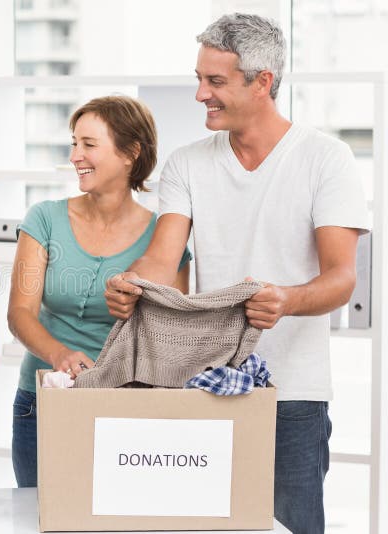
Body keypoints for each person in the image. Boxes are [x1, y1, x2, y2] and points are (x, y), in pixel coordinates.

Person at [104, 14, 369, 534]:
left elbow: (342, 278)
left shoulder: (327, 160)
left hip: (293, 394)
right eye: (199, 78)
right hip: (206, 385)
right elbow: (161, 260)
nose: (201, 93)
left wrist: (287, 299)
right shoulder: (187, 163)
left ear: (263, 81)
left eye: (216, 81)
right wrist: (130, 284)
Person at [7, 95, 191, 488]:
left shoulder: (165, 238)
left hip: (124, 410)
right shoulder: (44, 218)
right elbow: (19, 312)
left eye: (89, 144)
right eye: (74, 143)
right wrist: (59, 355)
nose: (75, 155)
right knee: (36, 519)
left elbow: (170, 339)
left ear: (130, 153)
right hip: (42, 404)